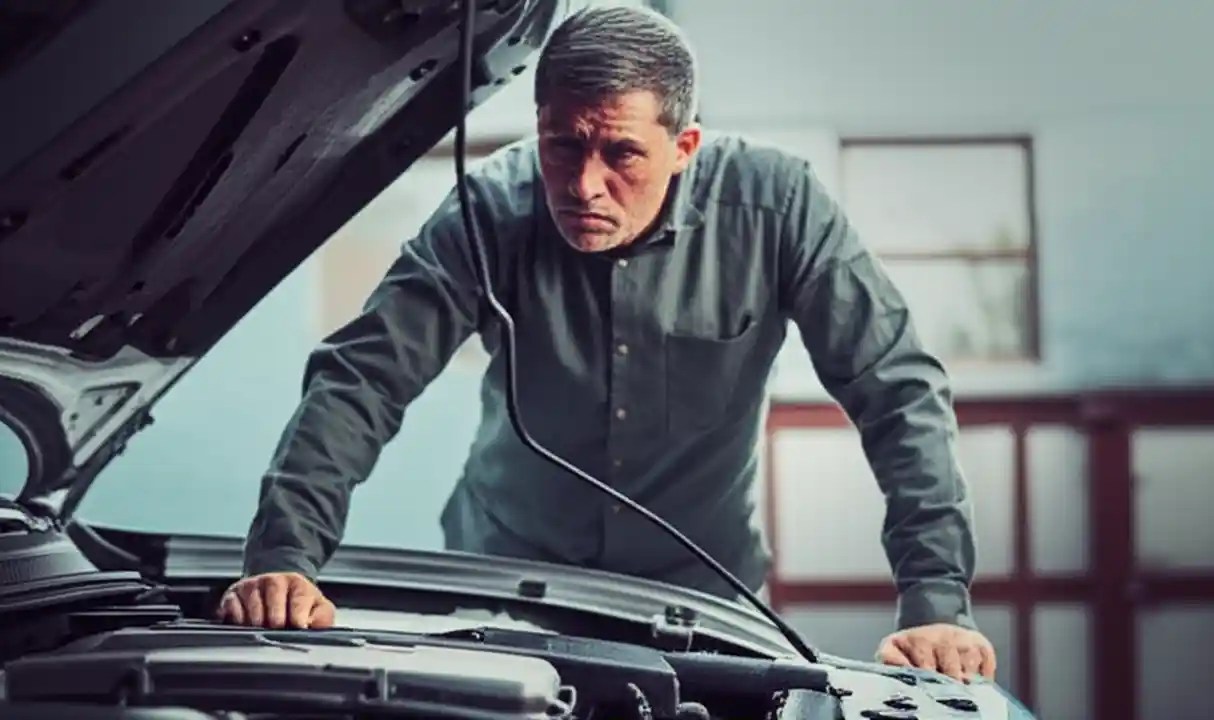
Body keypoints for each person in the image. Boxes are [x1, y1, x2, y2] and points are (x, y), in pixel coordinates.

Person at [216, 5, 997, 682]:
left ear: (684, 147)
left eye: (621, 153)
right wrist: (285, 558)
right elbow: (364, 379)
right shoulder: (489, 210)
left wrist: (936, 603)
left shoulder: (779, 207)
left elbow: (897, 392)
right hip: (505, 581)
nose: (585, 185)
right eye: (562, 146)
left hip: (703, 594)